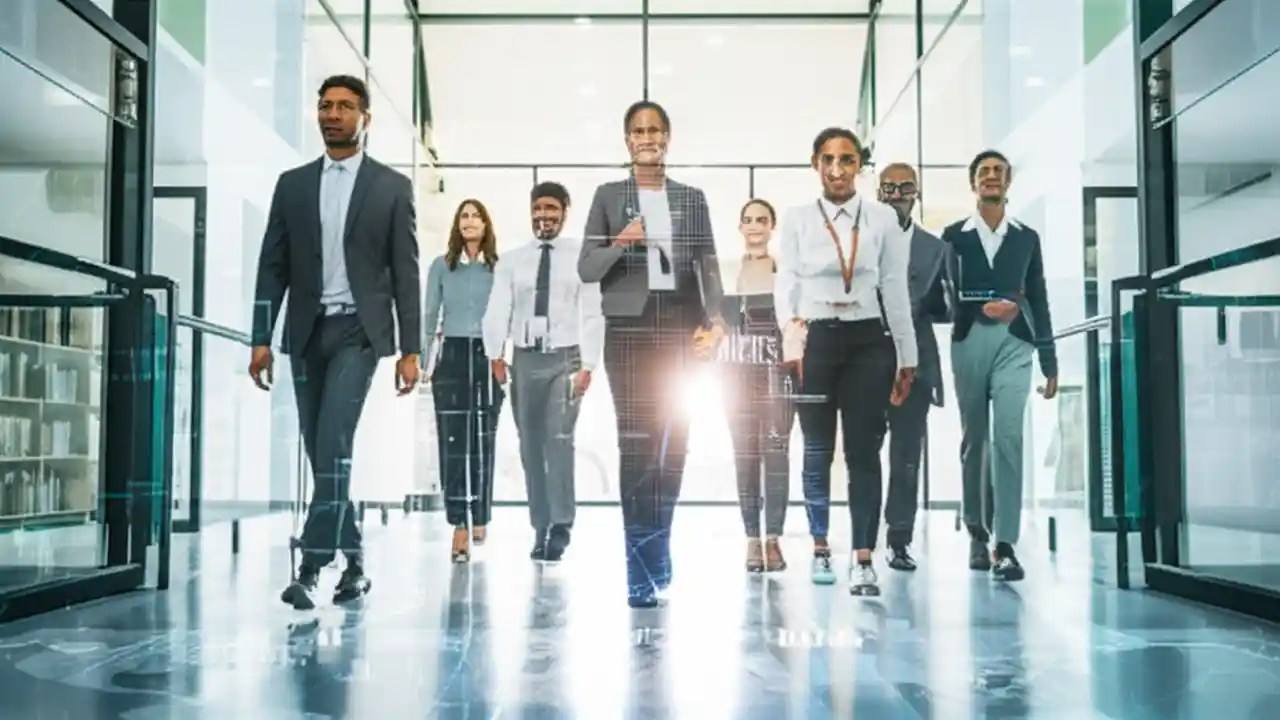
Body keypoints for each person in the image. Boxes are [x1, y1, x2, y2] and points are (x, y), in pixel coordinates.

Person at [249, 74, 420, 610]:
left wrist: (411, 348)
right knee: (324, 451)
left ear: (365, 118)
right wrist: (260, 337)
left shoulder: (392, 187)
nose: (333, 114)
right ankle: (358, 565)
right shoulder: (292, 184)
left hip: (357, 333)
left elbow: (406, 271)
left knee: (332, 444)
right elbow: (271, 266)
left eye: (345, 106)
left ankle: (311, 567)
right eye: (325, 106)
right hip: (304, 333)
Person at [578, 99, 726, 608]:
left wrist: (718, 318)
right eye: (638, 131)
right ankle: (637, 567)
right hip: (630, 330)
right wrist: (623, 240)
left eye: (655, 130)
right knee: (638, 448)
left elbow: (708, 264)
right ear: (627, 141)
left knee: (676, 445)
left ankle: (658, 543)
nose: (647, 137)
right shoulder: (608, 195)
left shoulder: (692, 198)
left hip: (681, 327)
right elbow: (587, 268)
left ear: (668, 138)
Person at [773, 127, 916, 597]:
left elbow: (895, 288)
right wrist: (791, 346)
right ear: (815, 163)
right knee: (816, 448)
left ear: (859, 165)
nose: (837, 169)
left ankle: (863, 558)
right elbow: (786, 285)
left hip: (867, 340)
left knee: (862, 451)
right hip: (814, 339)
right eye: (828, 159)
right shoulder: (796, 218)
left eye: (848, 160)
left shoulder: (881, 218)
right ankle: (818, 547)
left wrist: (906, 356)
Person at [943, 149, 1057, 582]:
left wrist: (1049, 359)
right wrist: (975, 305)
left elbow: (1039, 297)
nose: (991, 177)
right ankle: (977, 530)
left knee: (1009, 437)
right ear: (973, 183)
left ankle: (1005, 543)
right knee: (977, 439)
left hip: (1015, 343)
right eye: (984, 172)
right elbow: (944, 296)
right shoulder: (953, 236)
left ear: (1008, 183)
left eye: (998, 171)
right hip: (969, 339)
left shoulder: (1026, 237)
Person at [482, 181, 604, 563]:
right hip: (524, 360)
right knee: (529, 444)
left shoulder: (579, 258)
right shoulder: (512, 261)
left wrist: (589, 364)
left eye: (552, 209)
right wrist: (494, 354)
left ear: (565, 212)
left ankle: (562, 524)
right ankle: (540, 525)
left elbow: (592, 310)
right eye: (538, 209)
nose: (544, 216)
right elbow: (498, 307)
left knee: (559, 438)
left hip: (565, 359)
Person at [875, 163, 949, 572]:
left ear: (916, 193)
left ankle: (899, 539)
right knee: (863, 455)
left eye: (905, 187)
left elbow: (941, 307)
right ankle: (863, 542)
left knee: (906, 456)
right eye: (889, 187)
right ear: (878, 192)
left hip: (915, 362)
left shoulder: (935, 248)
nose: (897, 193)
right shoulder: (861, 238)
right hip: (868, 360)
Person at [424, 199, 504, 563]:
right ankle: (458, 523)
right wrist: (425, 362)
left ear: (486, 225)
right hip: (452, 356)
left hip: (488, 356)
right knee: (453, 443)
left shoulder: (500, 270)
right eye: (464, 216)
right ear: (457, 225)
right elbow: (430, 314)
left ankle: (482, 515)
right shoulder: (442, 267)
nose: (469, 221)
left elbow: (509, 315)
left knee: (483, 440)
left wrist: (504, 358)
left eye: (476, 216)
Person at [721, 198, 793, 572]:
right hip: (735, 372)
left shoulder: (786, 271)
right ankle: (751, 538)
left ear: (772, 225)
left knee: (777, 452)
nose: (754, 225)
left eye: (761, 219)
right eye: (747, 219)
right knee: (744, 454)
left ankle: (774, 539)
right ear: (740, 226)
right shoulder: (726, 272)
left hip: (778, 370)